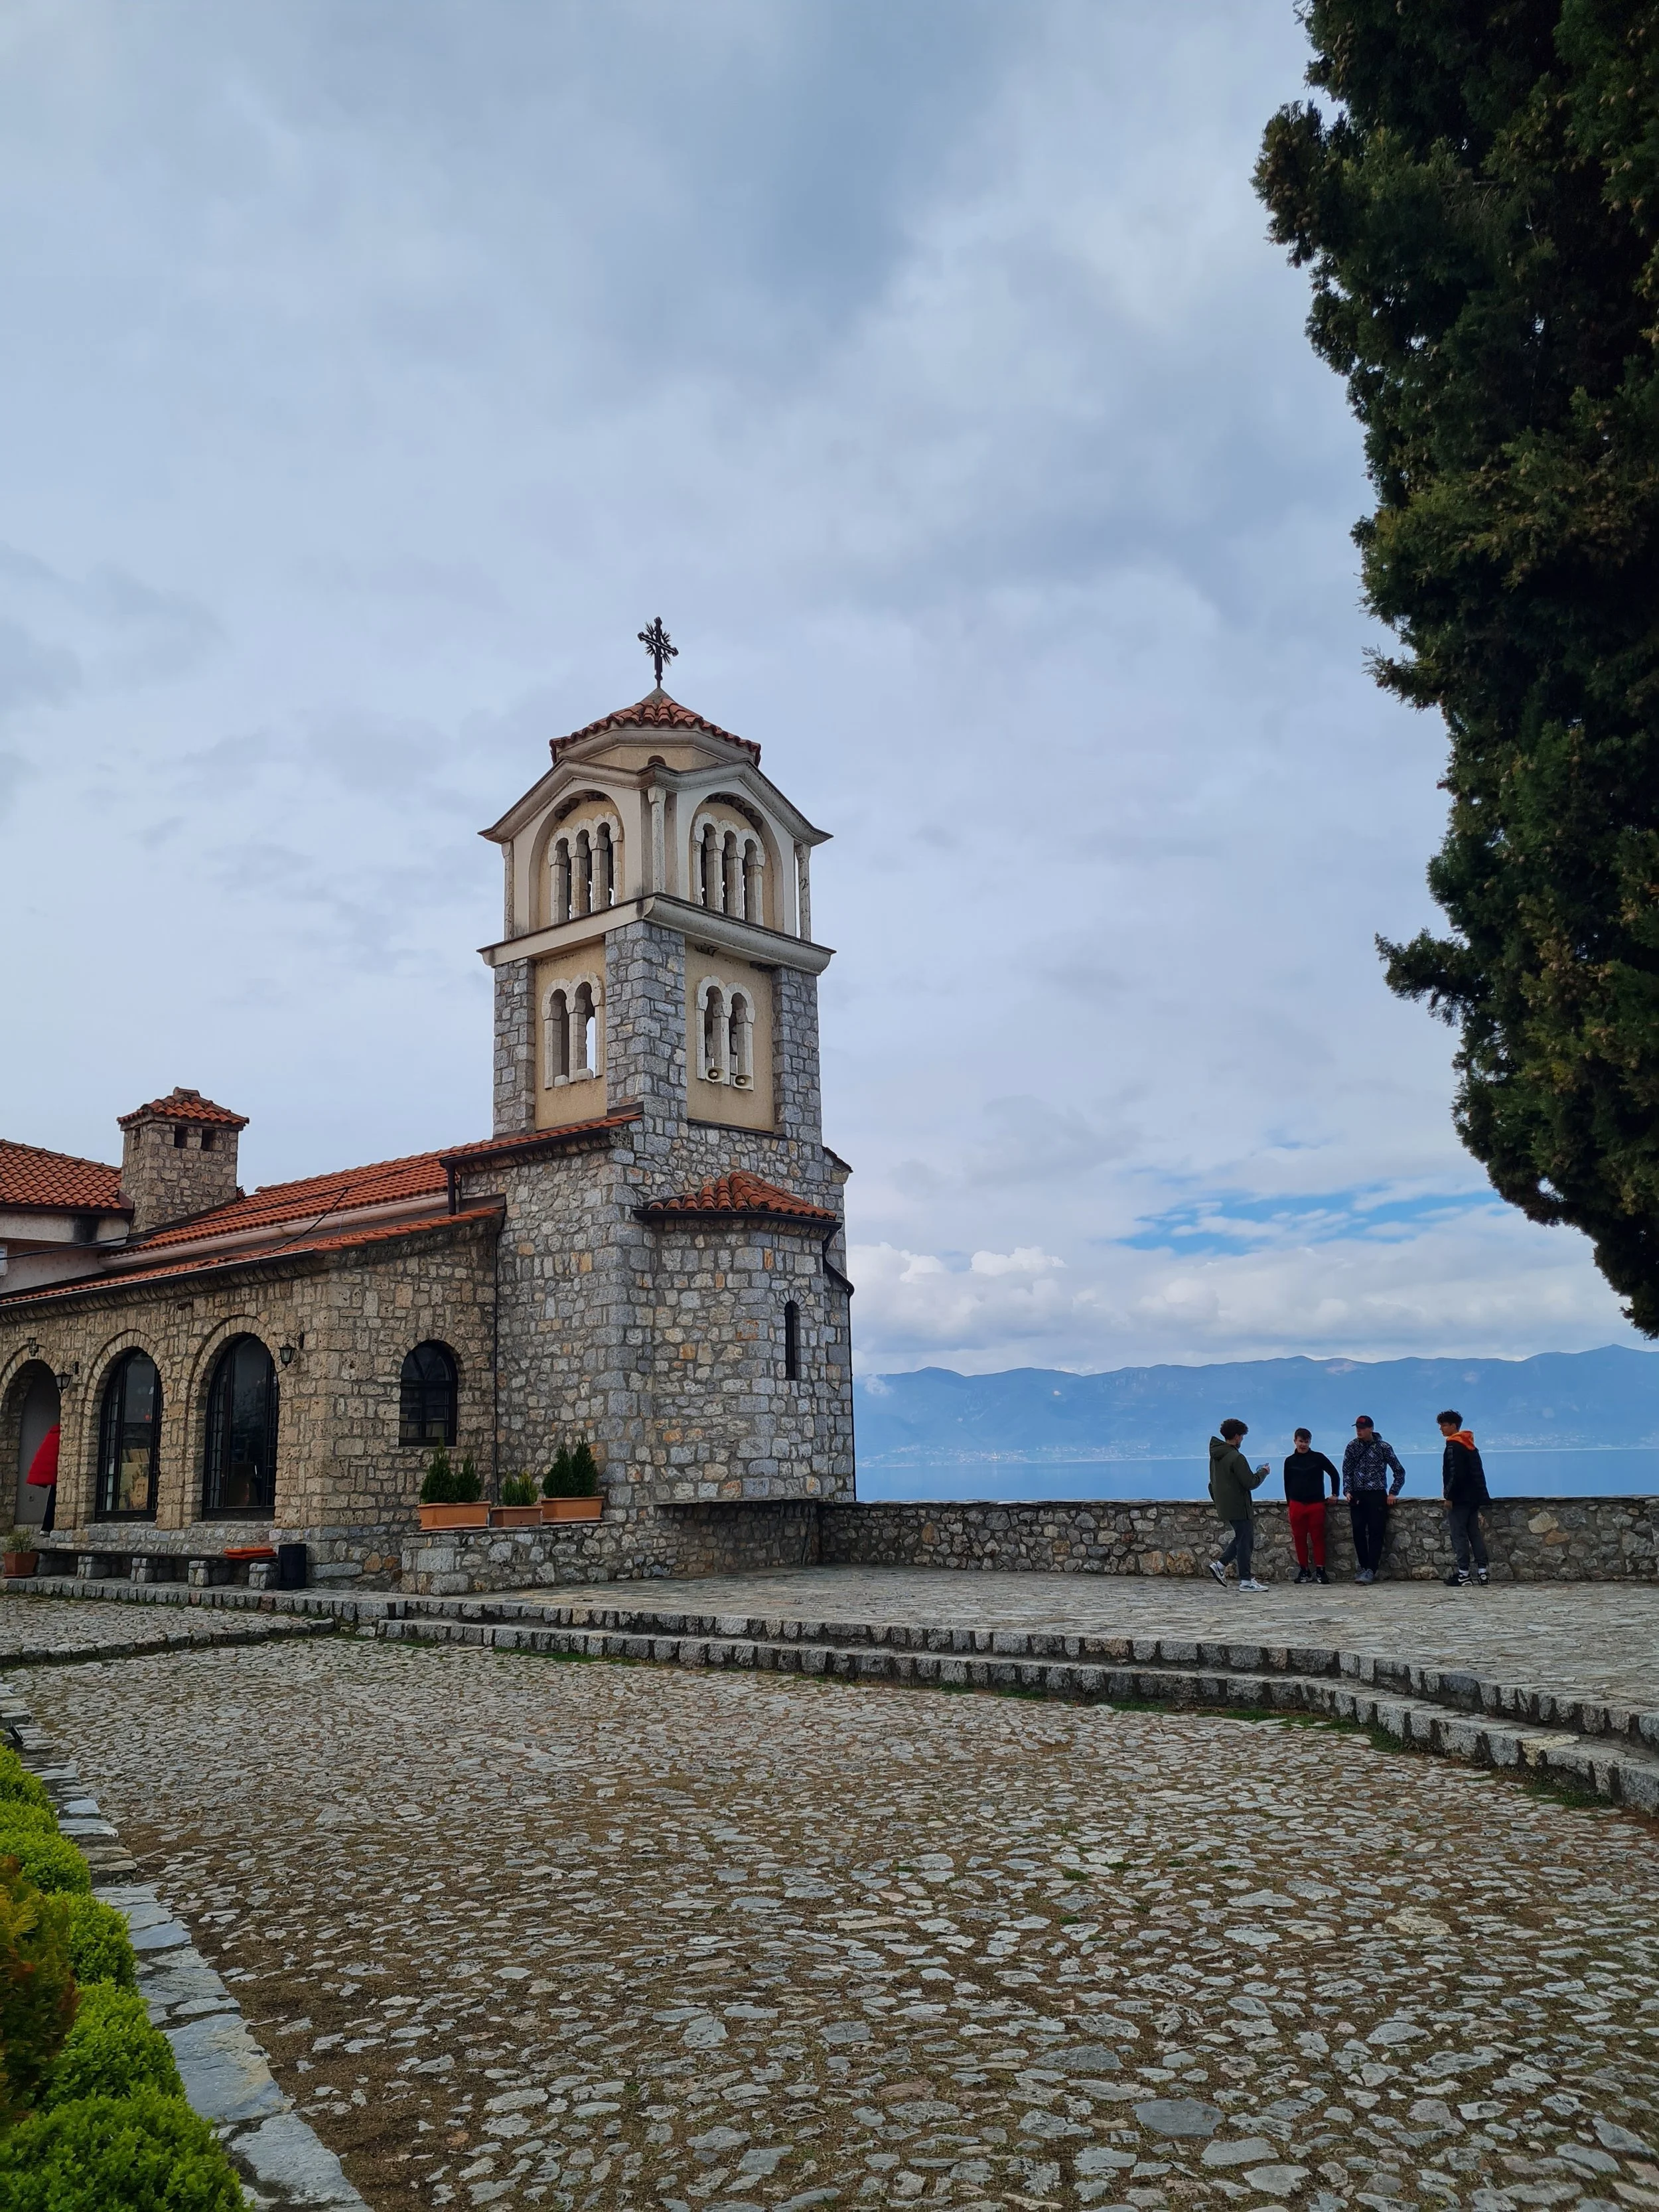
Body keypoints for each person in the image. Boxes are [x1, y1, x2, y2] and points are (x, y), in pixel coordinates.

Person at [1207, 1419, 1269, 1591]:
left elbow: (1213, 1483)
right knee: (1245, 1542)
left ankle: (1221, 1566)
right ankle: (1245, 1581)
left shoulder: (1216, 1457)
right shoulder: (1237, 1457)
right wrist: (1263, 1472)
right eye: (1242, 1436)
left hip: (1225, 1505)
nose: (1242, 1439)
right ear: (1236, 1436)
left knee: (1243, 1538)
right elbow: (1250, 1482)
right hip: (1240, 1506)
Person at [1340, 1414, 1404, 1584]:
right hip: (1357, 1495)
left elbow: (1399, 1472)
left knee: (1376, 1532)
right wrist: (1347, 1490)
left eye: (1362, 1428)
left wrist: (1393, 1493)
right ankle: (1363, 1567)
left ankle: (1371, 1569)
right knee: (1358, 1531)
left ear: (1371, 1429)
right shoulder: (1352, 1447)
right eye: (1357, 1428)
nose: (1359, 1431)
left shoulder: (1383, 1447)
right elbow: (1347, 1471)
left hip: (1376, 1494)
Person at [1437, 1409, 1491, 1586]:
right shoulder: (1470, 1445)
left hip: (1459, 1499)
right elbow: (1478, 1473)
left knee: (1459, 1535)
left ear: (1454, 1426)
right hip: (1474, 1498)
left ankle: (1464, 1574)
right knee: (1474, 1534)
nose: (1441, 1429)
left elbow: (1454, 1474)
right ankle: (1483, 1573)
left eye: (1444, 1425)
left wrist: (1449, 1496)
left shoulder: (1453, 1446)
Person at [1283, 1428, 1340, 1584]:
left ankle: (1321, 1571)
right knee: (1299, 1539)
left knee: (1318, 1538)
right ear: (1295, 1441)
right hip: (1296, 1505)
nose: (1303, 1445)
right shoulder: (1289, 1461)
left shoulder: (1318, 1458)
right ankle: (1305, 1571)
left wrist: (1335, 1494)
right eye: (1301, 1441)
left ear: (1310, 1442)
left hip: (1316, 1504)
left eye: (1306, 1442)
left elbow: (1334, 1474)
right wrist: (1290, 1504)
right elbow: (1287, 1484)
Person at [25, 1421, 59, 1535]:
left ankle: (46, 1528)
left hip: (54, 1475)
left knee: (52, 1500)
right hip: (61, 1474)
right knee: (55, 1500)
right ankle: (49, 1527)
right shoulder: (61, 1434)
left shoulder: (53, 1434)